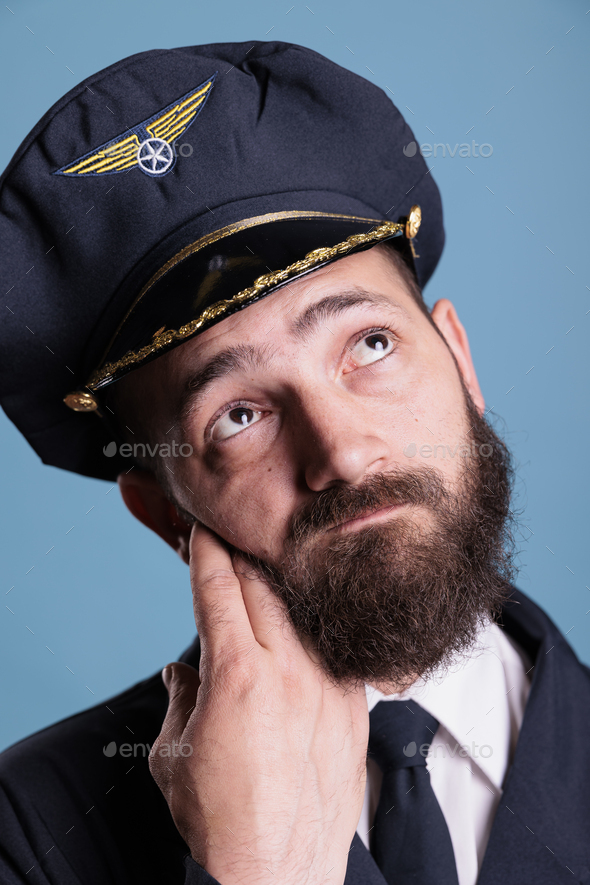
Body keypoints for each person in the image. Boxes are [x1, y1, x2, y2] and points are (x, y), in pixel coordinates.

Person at [0, 40, 588, 885]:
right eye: (240, 415)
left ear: (460, 361)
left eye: (371, 344)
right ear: (168, 512)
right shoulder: (30, 836)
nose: (343, 451)